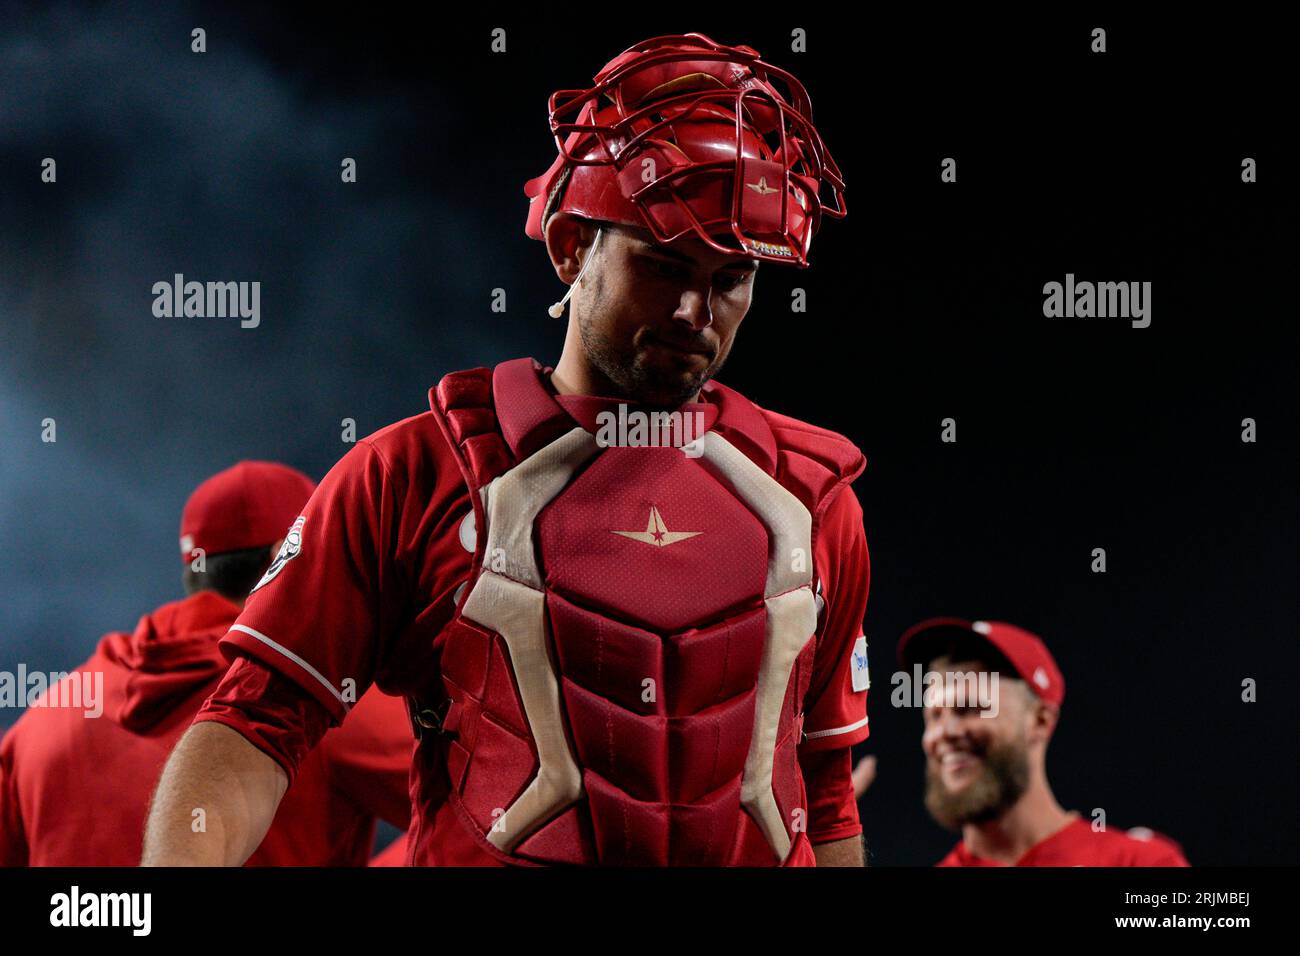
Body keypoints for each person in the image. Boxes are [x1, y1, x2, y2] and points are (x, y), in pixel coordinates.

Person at [143, 33, 871, 868]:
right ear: (570, 246)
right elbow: (254, 722)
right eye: (662, 265)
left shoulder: (812, 499)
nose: (692, 313)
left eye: (729, 279)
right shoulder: (410, 478)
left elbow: (824, 789)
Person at [0, 461, 411, 866]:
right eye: (339, 551)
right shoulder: (318, 689)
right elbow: (472, 815)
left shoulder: (46, 718)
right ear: (281, 557)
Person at [893, 616, 1189, 867]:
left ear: (1040, 721)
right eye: (934, 716)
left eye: (970, 708)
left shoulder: (1136, 861)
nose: (945, 732)